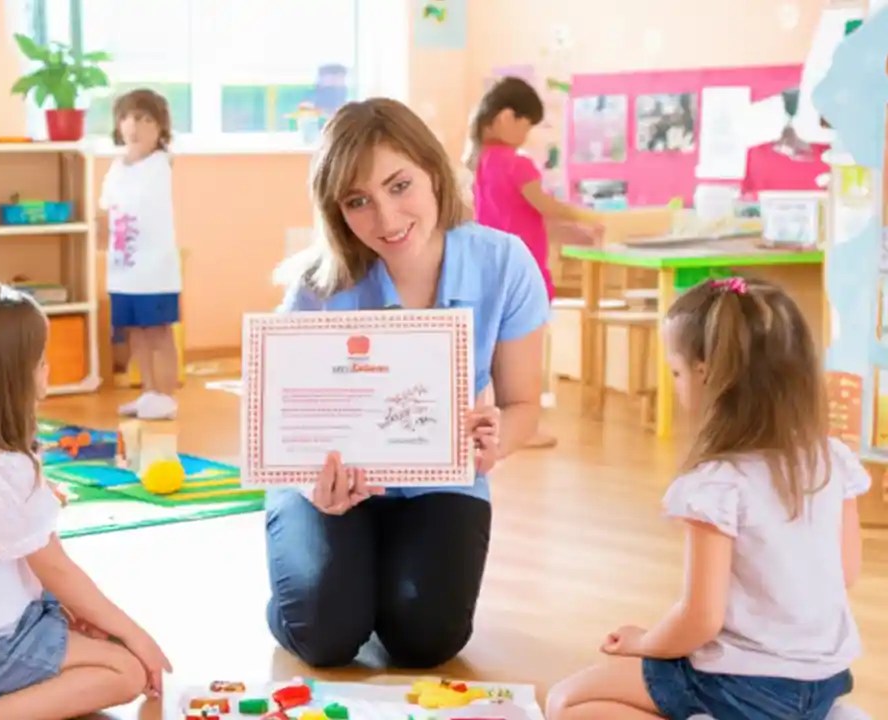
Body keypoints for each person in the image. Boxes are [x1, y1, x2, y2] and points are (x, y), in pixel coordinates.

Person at [266, 97, 547, 669]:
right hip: (331, 489)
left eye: (400, 186)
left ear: (433, 171)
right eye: (358, 201)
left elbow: (521, 406)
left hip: (441, 483)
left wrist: (497, 440)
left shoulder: (504, 264)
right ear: (336, 209)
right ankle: (332, 584)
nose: (386, 220)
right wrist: (307, 482)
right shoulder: (317, 285)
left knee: (427, 641)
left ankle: (375, 577)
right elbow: (284, 429)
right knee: (323, 635)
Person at [546, 277, 866, 720]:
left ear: (706, 375)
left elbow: (701, 618)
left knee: (568, 702)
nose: (676, 387)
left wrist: (644, 642)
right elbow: (845, 571)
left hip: (741, 687)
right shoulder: (833, 461)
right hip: (824, 683)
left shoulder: (717, 486)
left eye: (675, 372)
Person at [0, 281, 171, 720]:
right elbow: (57, 570)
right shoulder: (4, 468)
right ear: (8, 381)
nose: (46, 370)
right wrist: (136, 635)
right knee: (125, 671)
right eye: (40, 362)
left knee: (83, 633)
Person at [466, 77, 603, 450]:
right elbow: (545, 207)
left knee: (495, 358)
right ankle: (525, 425)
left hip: (490, 271)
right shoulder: (515, 164)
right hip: (523, 273)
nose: (526, 135)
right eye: (527, 125)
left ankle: (497, 423)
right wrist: (585, 216)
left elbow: (529, 220)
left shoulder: (480, 162)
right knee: (526, 357)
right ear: (509, 117)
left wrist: (575, 233)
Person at [101, 88, 182, 420]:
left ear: (160, 128)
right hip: (123, 269)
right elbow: (106, 208)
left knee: (158, 331)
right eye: (129, 118)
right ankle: (148, 392)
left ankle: (165, 394)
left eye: (145, 119)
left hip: (154, 270)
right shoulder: (117, 167)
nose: (135, 126)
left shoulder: (160, 163)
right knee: (135, 331)